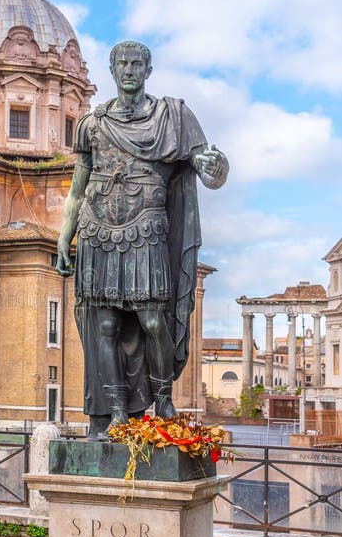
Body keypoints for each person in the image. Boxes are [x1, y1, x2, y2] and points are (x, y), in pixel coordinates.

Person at [56, 41, 228, 437]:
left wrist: (213, 165)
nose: (129, 70)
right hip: (98, 230)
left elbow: (211, 168)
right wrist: (65, 237)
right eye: (122, 64)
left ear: (147, 69)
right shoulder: (91, 124)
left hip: (147, 227)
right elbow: (77, 188)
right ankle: (115, 412)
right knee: (106, 326)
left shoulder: (173, 117)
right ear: (113, 71)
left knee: (153, 319)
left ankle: (163, 399)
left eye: (136, 63)